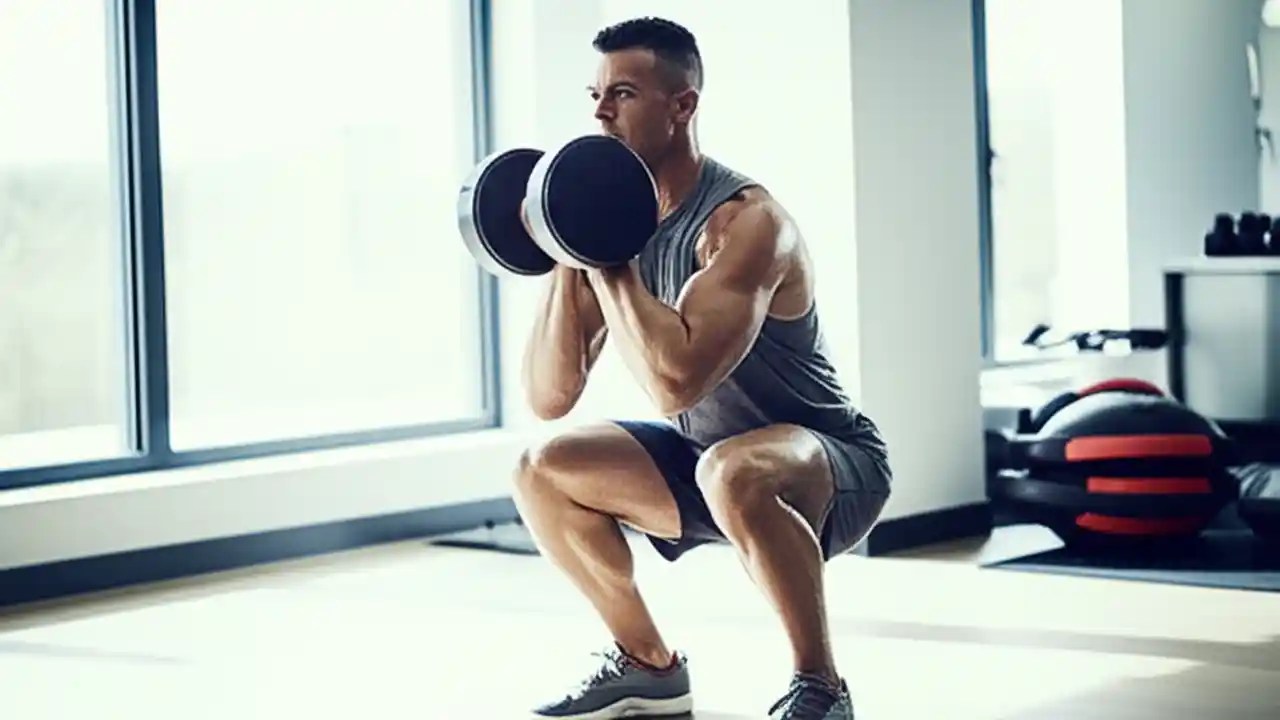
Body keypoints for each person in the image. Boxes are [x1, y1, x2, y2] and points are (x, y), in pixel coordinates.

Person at [512, 16, 892, 720]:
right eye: (594, 94)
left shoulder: (747, 223)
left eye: (621, 93)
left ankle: (821, 690)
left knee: (734, 471)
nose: (599, 112)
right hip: (702, 457)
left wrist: (606, 254)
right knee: (542, 467)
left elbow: (676, 380)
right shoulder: (615, 229)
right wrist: (568, 251)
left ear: (681, 105)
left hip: (828, 462)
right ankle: (647, 666)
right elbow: (549, 394)